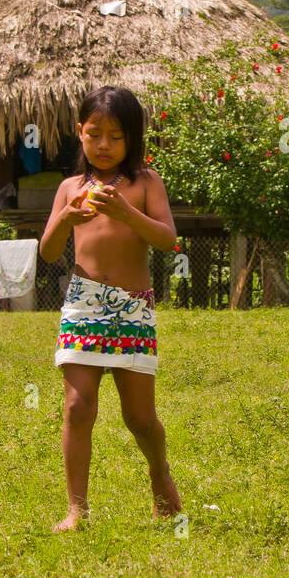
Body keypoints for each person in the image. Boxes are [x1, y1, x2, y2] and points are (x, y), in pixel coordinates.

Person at [39, 85, 180, 531]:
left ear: (133, 139)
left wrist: (125, 213)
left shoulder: (144, 184)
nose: (104, 145)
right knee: (78, 407)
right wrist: (65, 218)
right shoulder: (69, 188)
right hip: (83, 306)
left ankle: (160, 475)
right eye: (95, 133)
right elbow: (47, 252)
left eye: (116, 137)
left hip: (131, 309)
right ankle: (76, 509)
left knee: (140, 418)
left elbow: (166, 240)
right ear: (79, 133)